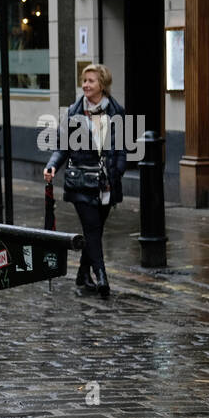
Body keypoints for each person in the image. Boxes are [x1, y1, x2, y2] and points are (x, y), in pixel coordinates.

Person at [43, 63, 126, 298]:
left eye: (91, 80)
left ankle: (82, 274)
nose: (85, 85)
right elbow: (62, 148)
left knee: (95, 232)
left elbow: (121, 148)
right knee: (91, 227)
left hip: (107, 184)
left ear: (103, 84)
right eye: (84, 80)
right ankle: (101, 276)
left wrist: (118, 170)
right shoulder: (73, 112)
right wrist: (52, 165)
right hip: (80, 180)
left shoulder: (116, 111)